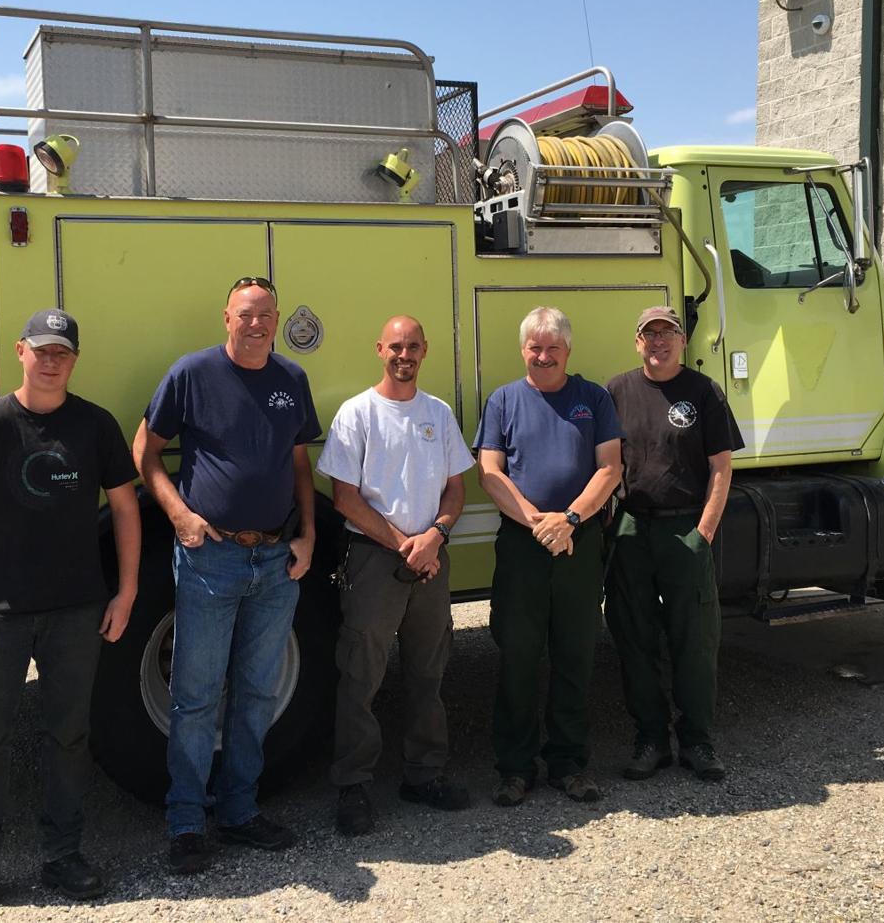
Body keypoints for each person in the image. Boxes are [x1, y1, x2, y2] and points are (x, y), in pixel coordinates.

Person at [0, 308, 140, 922]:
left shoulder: (96, 426)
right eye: (42, 350)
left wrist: (125, 592)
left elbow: (127, 511)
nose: (52, 361)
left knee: (68, 737)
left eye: (63, 352)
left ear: (74, 359)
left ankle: (62, 855)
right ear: (21, 352)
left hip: (78, 611)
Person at [134, 276, 320, 875]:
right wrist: (180, 515)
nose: (257, 323)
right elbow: (145, 449)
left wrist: (309, 534)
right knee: (195, 698)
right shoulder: (192, 373)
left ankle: (239, 811)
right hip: (209, 559)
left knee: (258, 693)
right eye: (246, 314)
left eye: (266, 314)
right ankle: (187, 822)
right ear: (227, 318)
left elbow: (300, 462)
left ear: (277, 319)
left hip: (274, 560)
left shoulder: (291, 380)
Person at [316, 316, 474, 836]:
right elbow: (344, 497)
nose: (404, 355)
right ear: (378, 348)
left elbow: (456, 488)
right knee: (361, 674)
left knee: (429, 672)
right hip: (375, 560)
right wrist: (404, 544)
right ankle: (353, 785)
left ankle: (423, 774)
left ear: (425, 351)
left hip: (430, 559)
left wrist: (436, 537)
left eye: (413, 346)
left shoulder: (439, 413)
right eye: (395, 346)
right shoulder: (357, 413)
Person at [474, 307, 623, 807]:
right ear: (523, 350)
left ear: (567, 350)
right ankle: (515, 768)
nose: (543, 356)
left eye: (552, 348)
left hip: (578, 543)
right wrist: (538, 521)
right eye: (534, 348)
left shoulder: (593, 398)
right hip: (524, 545)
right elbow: (490, 472)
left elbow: (609, 468)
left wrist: (570, 520)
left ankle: (569, 764)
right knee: (517, 656)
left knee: (575, 656)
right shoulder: (503, 400)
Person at [605, 305, 743, 783]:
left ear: (683, 341)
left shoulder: (702, 391)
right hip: (631, 529)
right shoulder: (617, 391)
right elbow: (603, 464)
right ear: (637, 341)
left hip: (685, 526)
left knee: (695, 640)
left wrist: (704, 531)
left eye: (668, 333)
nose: (658, 342)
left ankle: (698, 742)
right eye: (649, 334)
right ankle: (650, 740)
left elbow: (721, 468)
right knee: (634, 638)